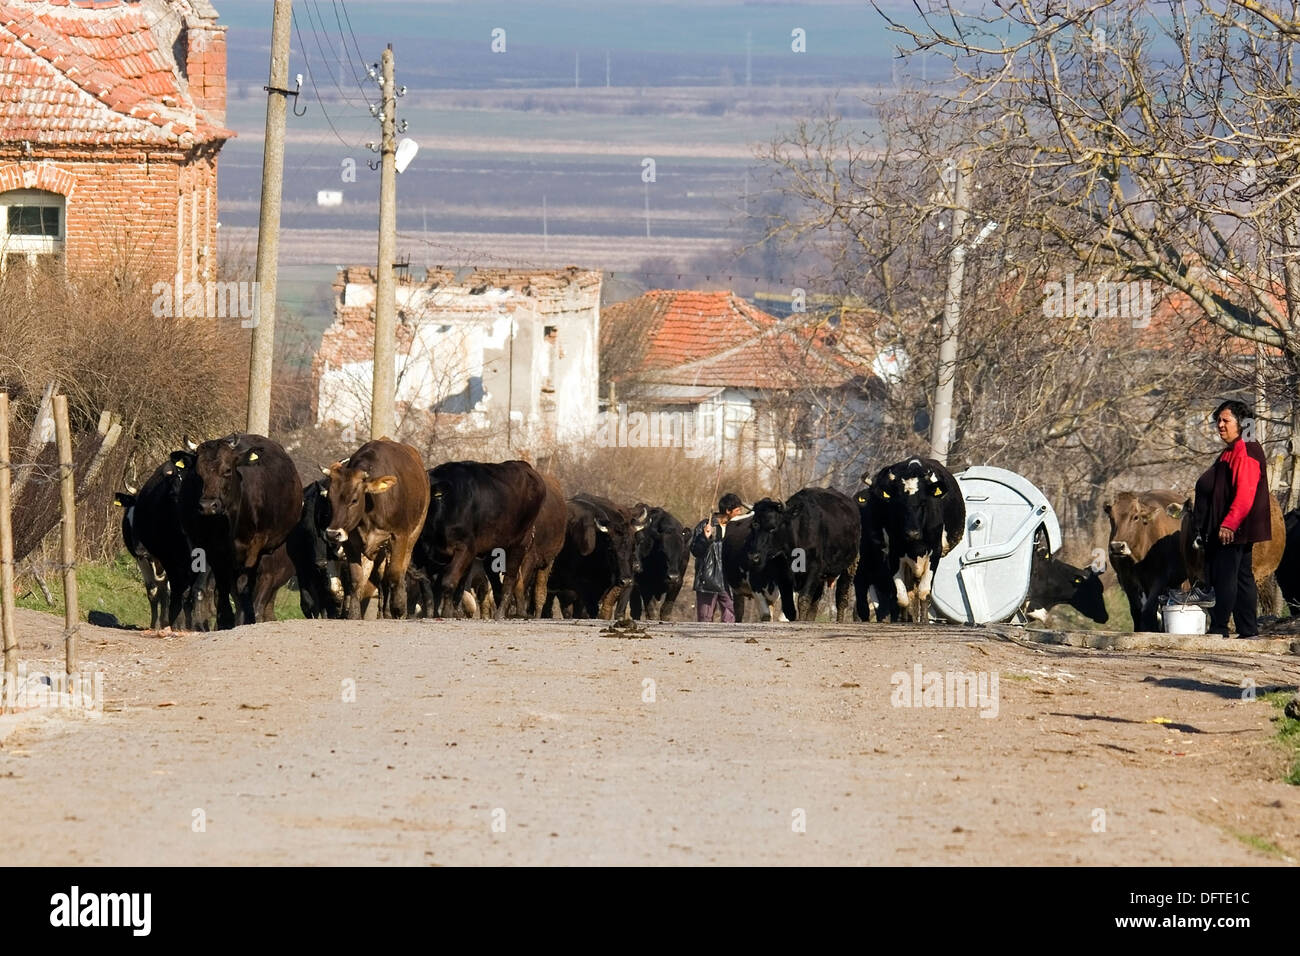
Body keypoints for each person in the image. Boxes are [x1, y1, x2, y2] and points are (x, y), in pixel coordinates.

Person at [1192, 400, 1272, 638]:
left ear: (1242, 423)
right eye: (1218, 420)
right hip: (1233, 526)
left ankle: (1219, 628)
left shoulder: (1246, 448)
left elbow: (1246, 491)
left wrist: (1229, 523)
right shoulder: (1235, 448)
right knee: (1242, 576)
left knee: (1225, 575)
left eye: (1226, 420)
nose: (1220, 425)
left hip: (1233, 527)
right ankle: (1248, 630)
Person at [690, 493, 749, 623]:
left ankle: (727, 643)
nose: (740, 513)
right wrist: (705, 538)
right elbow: (696, 551)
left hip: (728, 581)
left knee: (731, 617)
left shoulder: (736, 528)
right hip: (708, 580)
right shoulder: (706, 525)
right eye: (738, 510)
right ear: (728, 511)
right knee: (705, 620)